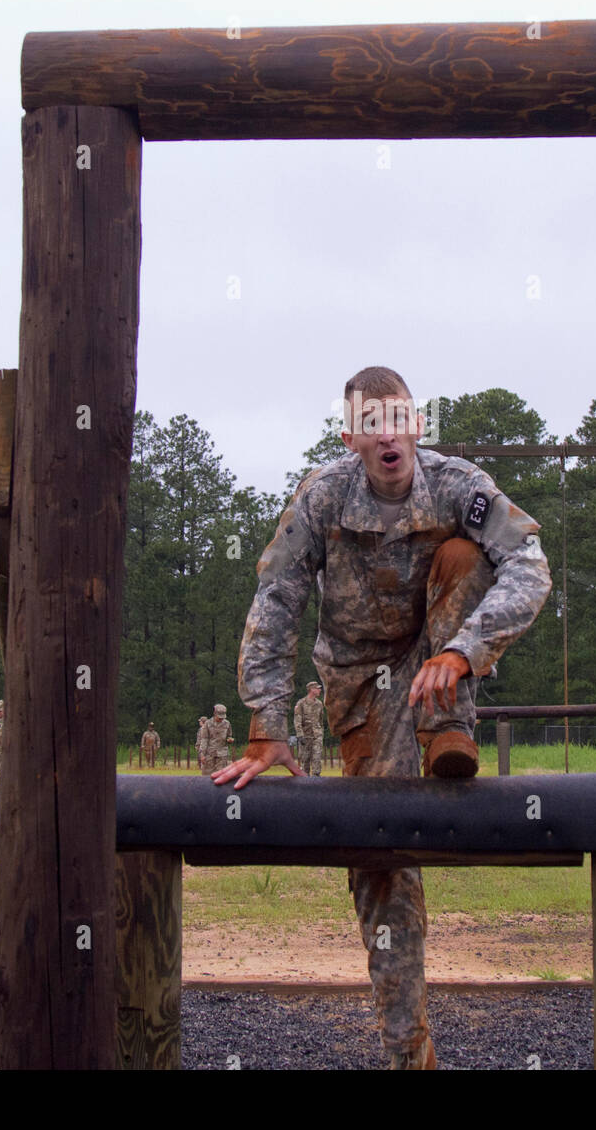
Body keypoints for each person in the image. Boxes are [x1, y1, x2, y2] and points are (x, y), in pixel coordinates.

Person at [216, 366, 551, 1069]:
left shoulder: (458, 486)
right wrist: (267, 724)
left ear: (417, 426)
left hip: (438, 659)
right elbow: (276, 598)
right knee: (381, 856)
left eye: (397, 419)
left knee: (464, 554)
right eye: (370, 425)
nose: (386, 435)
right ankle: (408, 1052)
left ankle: (446, 728)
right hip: (359, 683)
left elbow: (529, 565)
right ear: (351, 438)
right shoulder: (323, 495)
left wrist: (465, 650)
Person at [294, 681, 326, 776]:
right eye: (317, 688)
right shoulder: (301, 703)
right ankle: (305, 781)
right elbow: (297, 720)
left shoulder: (319, 704)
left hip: (317, 736)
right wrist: (300, 735)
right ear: (311, 690)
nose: (319, 690)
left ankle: (316, 778)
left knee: (317, 758)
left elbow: (321, 720)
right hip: (305, 737)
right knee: (305, 762)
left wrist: (321, 732)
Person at [205, 704, 234, 772]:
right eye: (219, 717)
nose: (221, 719)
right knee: (208, 775)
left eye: (222, 717)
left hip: (222, 753)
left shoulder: (227, 723)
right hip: (209, 753)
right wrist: (202, 754)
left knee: (221, 774)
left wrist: (229, 740)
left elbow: (229, 735)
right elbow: (204, 739)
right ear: (214, 713)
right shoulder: (207, 723)